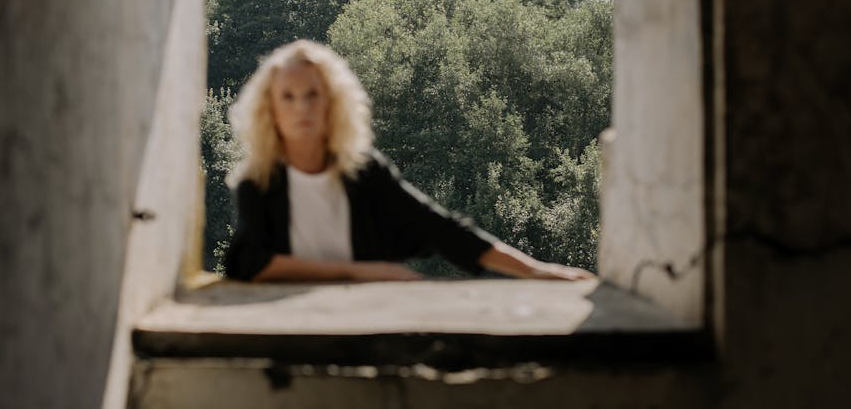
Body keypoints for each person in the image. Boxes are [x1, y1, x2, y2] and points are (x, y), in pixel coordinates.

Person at [223, 39, 595, 282]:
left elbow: (441, 229)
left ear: (332, 103)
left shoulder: (365, 173)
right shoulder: (258, 182)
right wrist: (366, 273)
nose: (301, 107)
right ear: (269, 109)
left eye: (312, 95)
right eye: (287, 96)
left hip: (364, 330)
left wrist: (537, 271)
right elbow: (250, 263)